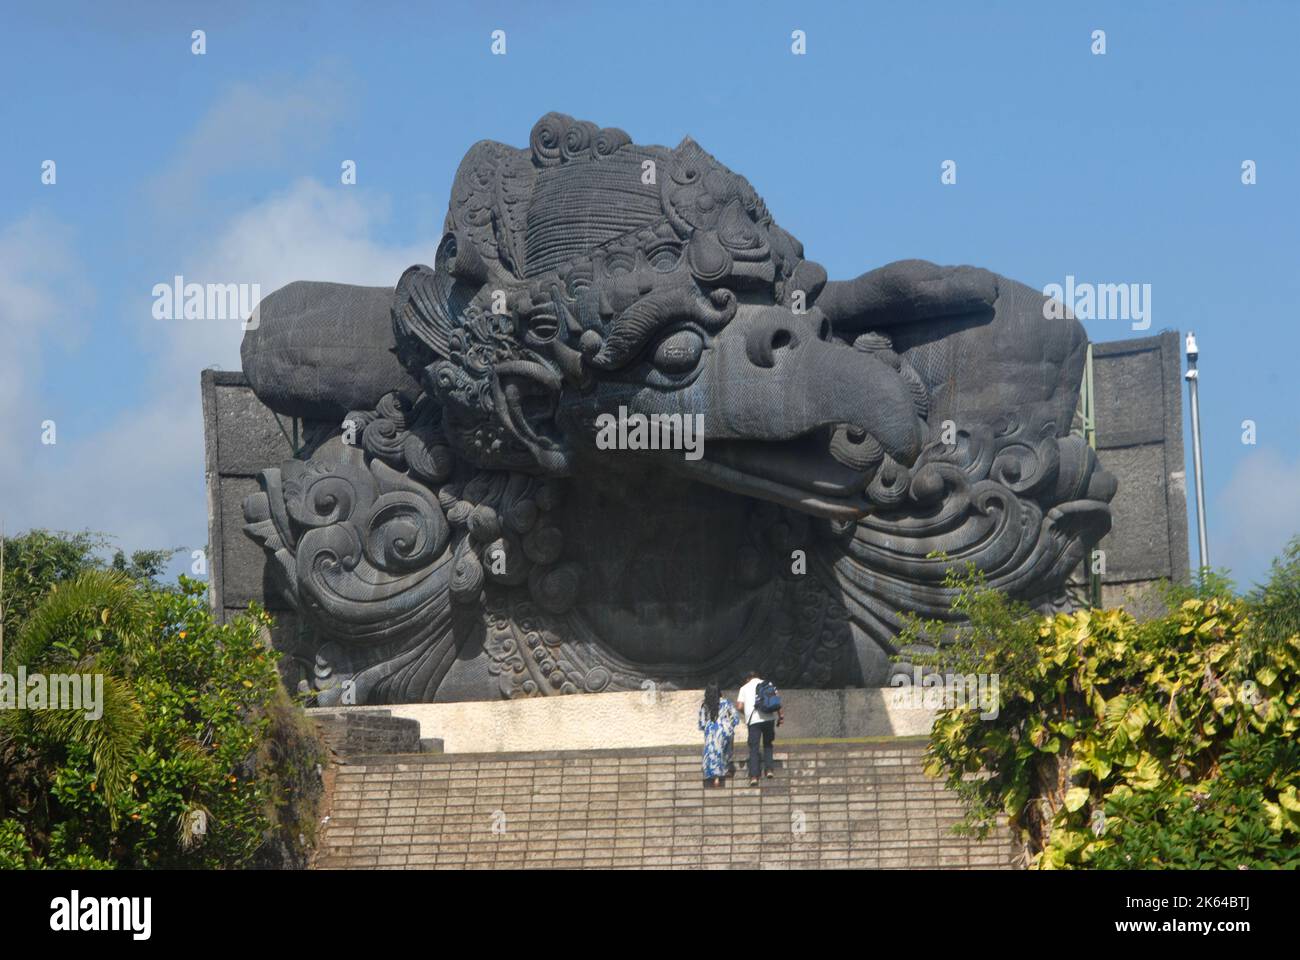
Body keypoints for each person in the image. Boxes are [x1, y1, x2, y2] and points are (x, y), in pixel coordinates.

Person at [736, 672, 783, 786]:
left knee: (754, 747)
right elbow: (777, 701)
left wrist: (745, 713)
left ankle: (754, 776)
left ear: (748, 678)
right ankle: (769, 770)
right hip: (768, 719)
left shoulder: (744, 688)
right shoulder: (768, 684)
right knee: (768, 744)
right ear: (758, 676)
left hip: (753, 721)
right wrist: (781, 716)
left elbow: (739, 706)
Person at [698, 682, 739, 787]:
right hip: (725, 728)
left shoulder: (705, 705)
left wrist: (706, 727)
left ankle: (715, 777)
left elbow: (702, 723)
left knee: (714, 752)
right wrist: (730, 725)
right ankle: (725, 770)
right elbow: (735, 717)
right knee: (726, 750)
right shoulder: (726, 702)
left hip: (712, 730)